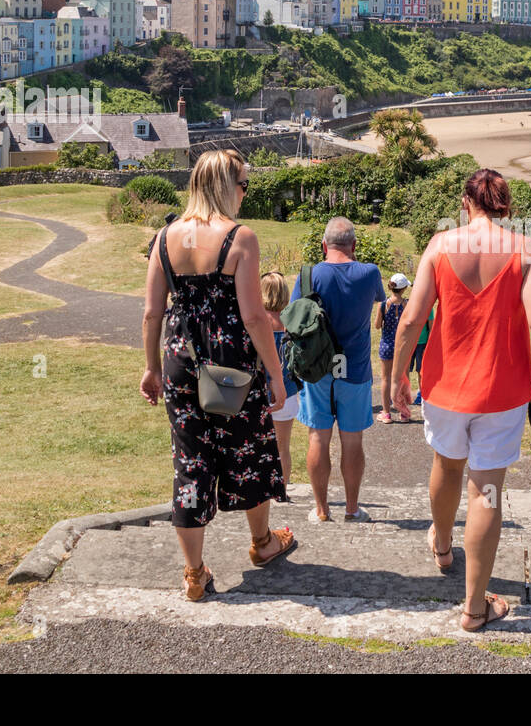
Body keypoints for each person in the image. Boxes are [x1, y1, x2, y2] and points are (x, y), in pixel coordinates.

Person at [391, 169, 531, 631]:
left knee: (446, 465)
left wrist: (399, 375)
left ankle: (443, 547)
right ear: (505, 206)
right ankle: (473, 608)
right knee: (487, 489)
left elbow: (410, 321)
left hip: (445, 387)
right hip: (503, 392)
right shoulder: (527, 249)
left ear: (467, 202)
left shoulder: (440, 246)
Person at [140, 150, 294, 602]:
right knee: (251, 447)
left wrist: (150, 367)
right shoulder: (240, 238)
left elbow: (152, 311)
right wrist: (276, 372)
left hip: (179, 358)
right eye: (243, 183)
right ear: (226, 186)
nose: (245, 192)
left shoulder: (164, 237)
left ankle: (194, 573)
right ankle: (263, 543)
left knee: (190, 459)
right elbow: (253, 316)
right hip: (231, 364)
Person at [290, 216, 386, 523]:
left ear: (323, 245)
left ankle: (321, 510)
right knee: (352, 440)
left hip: (317, 369)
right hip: (354, 370)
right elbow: (376, 301)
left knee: (318, 437)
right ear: (354, 245)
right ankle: (352, 508)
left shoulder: (308, 275)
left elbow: (292, 321)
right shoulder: (369, 273)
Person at [261, 271, 300, 502]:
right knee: (282, 446)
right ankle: (281, 491)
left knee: (260, 445)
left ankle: (262, 490)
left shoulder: (258, 320)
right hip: (288, 391)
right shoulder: (290, 321)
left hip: (260, 391)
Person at [375, 273, 410, 423]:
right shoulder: (407, 304)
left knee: (386, 379)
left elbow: (377, 325)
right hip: (402, 345)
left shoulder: (383, 305)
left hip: (387, 345)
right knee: (403, 378)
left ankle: (386, 413)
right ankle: (404, 413)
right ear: (404, 289)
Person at [409, 305, 435, 407]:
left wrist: (428, 345)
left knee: (420, 371)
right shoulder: (408, 304)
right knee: (406, 370)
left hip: (422, 344)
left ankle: (421, 394)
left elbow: (431, 327)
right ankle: (404, 393)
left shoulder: (429, 308)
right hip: (410, 343)